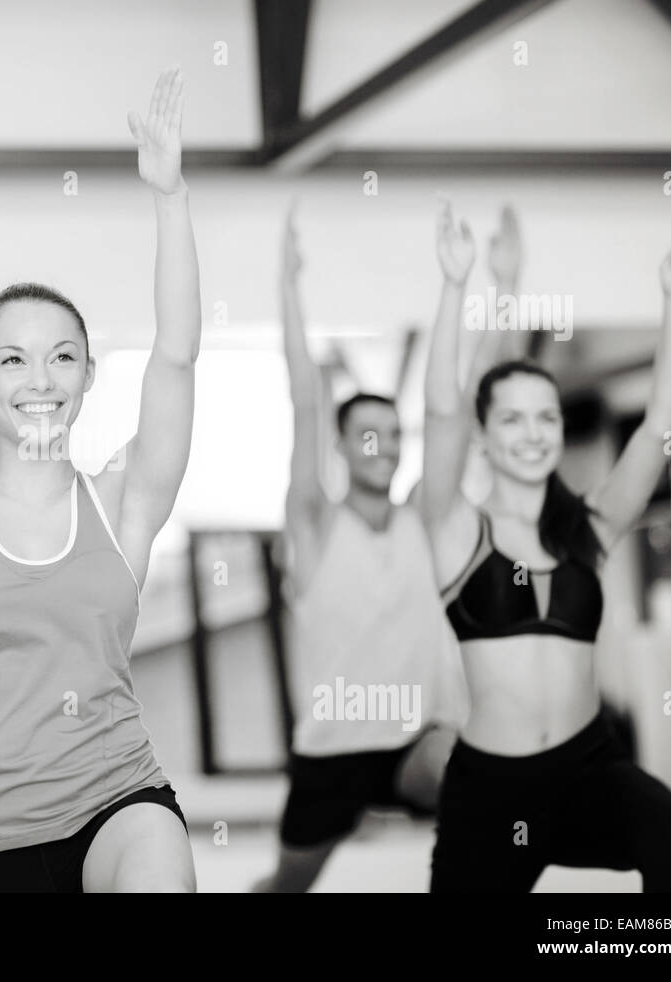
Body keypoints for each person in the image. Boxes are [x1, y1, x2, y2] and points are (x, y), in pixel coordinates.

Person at [0, 68, 200, 892]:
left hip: (117, 803)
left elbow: (176, 357)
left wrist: (170, 197)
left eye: (63, 357)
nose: (41, 379)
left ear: (89, 374)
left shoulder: (123, 502)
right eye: (11, 359)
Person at [421, 201, 671, 892]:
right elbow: (440, 415)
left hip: (588, 770)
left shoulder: (591, 525)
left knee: (663, 820)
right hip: (490, 793)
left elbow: (659, 427)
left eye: (546, 416)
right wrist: (457, 287)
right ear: (485, 436)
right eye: (512, 419)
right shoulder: (455, 527)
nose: (533, 432)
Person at [254, 207, 528, 892]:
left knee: (477, 776)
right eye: (367, 434)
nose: (385, 445)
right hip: (331, 754)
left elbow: (468, 404)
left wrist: (504, 285)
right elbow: (303, 402)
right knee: (284, 889)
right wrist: (288, 287)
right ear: (343, 448)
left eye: (393, 433)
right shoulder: (314, 525)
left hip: (416, 740)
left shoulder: (422, 519)